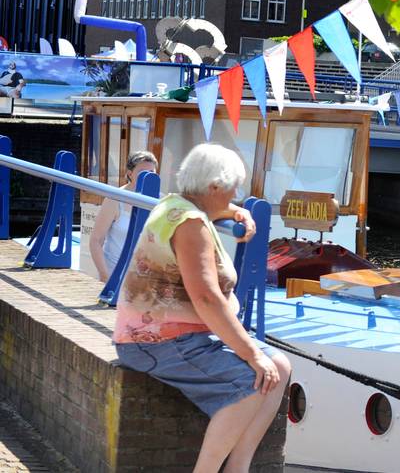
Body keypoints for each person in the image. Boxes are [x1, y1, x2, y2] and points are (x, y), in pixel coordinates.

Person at [112, 143, 291, 473]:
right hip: (157, 341)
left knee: (279, 366)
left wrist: (238, 212)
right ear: (213, 187)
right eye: (232, 188)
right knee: (250, 383)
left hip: (175, 335)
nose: (236, 193)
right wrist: (252, 354)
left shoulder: (175, 205)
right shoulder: (191, 226)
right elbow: (207, 299)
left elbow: (210, 209)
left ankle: (238, 467)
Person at [89, 150, 158, 282]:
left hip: (146, 279)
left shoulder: (160, 201)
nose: (147, 177)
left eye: (151, 173)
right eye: (142, 172)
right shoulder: (115, 199)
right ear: (130, 174)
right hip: (116, 275)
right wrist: (105, 276)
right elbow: (96, 240)